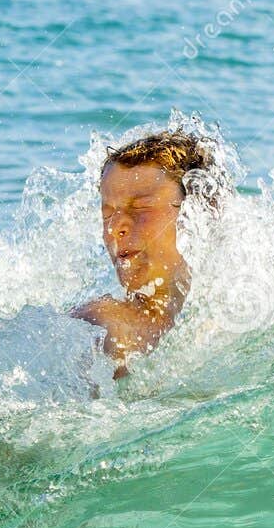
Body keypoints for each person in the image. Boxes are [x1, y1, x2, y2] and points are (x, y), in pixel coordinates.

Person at [74, 130, 217, 377]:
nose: (114, 227)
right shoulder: (106, 326)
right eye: (108, 212)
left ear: (198, 214)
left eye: (141, 208)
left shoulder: (226, 313)